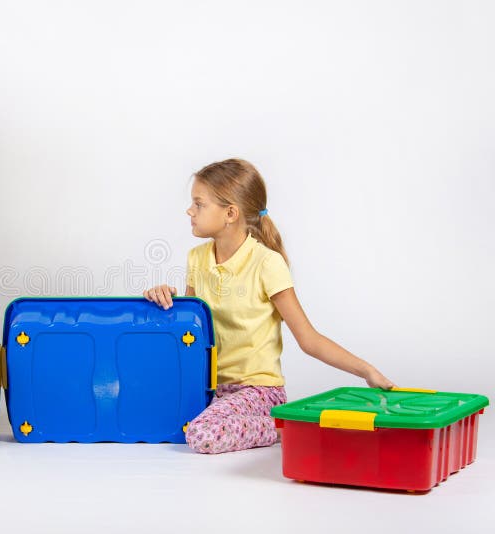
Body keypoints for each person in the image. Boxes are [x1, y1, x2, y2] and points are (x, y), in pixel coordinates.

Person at [143, 158, 394, 454]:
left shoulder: (266, 264)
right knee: (150, 412)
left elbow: (309, 340)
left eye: (199, 204)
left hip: (258, 392)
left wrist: (367, 371)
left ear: (230, 213)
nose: (190, 211)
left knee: (201, 434)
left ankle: (285, 426)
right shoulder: (197, 258)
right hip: (210, 389)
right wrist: (166, 304)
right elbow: (192, 336)